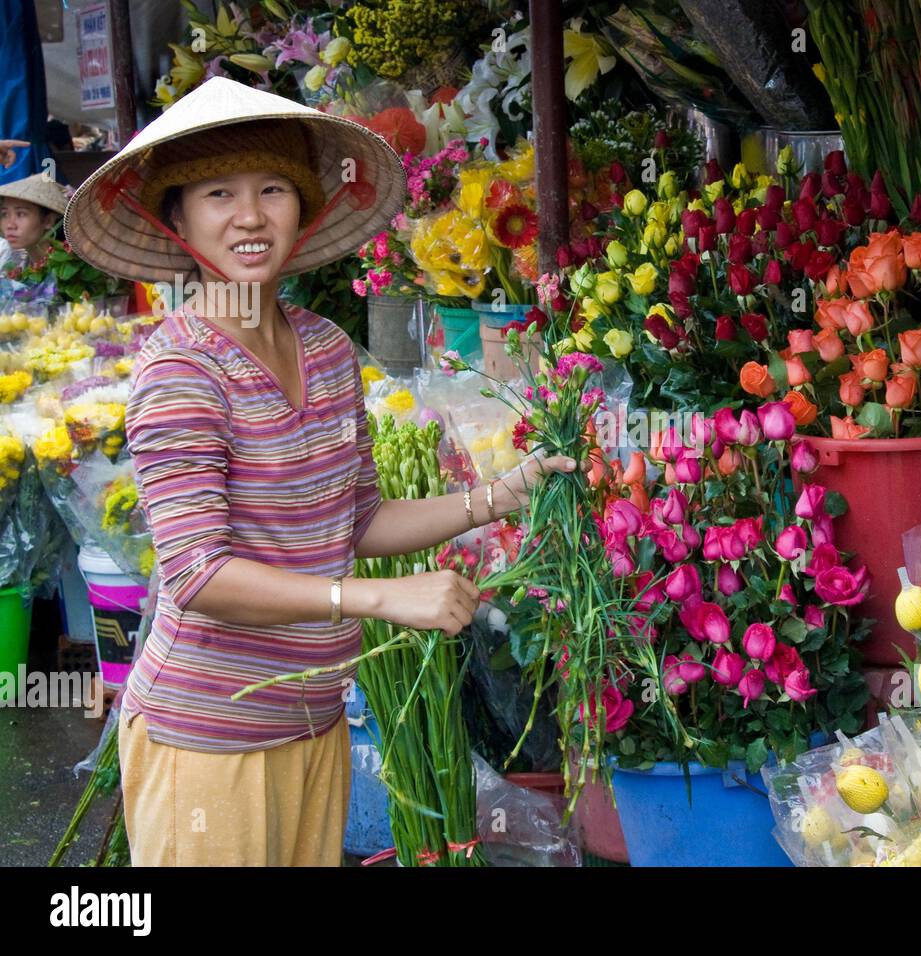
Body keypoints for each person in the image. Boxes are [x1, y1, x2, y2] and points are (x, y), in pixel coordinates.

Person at [64, 77, 577, 866]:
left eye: (273, 189)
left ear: (303, 207)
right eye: (218, 193)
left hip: (311, 718)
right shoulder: (181, 372)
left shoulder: (328, 349)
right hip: (211, 735)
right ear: (176, 218)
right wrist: (373, 598)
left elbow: (356, 522)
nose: (249, 215)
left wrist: (495, 497)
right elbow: (199, 573)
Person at [0, 173, 67, 275]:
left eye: (21, 214)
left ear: (47, 221)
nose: (10, 225)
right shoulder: (15, 267)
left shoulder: (71, 271)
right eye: (5, 214)